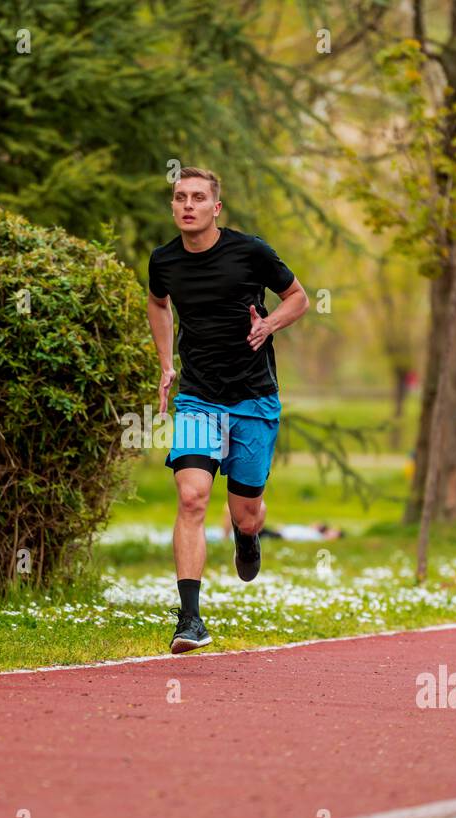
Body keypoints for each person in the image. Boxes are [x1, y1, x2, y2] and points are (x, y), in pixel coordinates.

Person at [147, 166, 310, 654]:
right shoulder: (164, 261)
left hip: (253, 398)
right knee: (192, 496)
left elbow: (298, 297)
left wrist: (270, 325)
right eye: (180, 197)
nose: (188, 205)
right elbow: (158, 304)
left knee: (246, 513)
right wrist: (165, 363)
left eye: (198, 197)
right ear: (174, 206)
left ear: (215, 208)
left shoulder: (250, 252)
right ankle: (190, 620)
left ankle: (247, 535)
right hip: (198, 397)